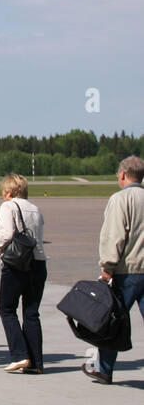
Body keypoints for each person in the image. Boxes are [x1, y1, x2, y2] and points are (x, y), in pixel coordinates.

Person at [84, 155, 144, 384]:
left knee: (112, 320)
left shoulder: (121, 199)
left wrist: (107, 266)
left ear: (122, 174)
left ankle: (105, 368)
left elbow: (114, 236)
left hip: (128, 270)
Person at [0, 174, 46, 373]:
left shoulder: (8, 206)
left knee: (6, 309)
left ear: (10, 192)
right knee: (31, 313)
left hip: (17, 265)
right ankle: (36, 362)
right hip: (38, 264)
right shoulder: (36, 209)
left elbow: (6, 233)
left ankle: (19, 355)